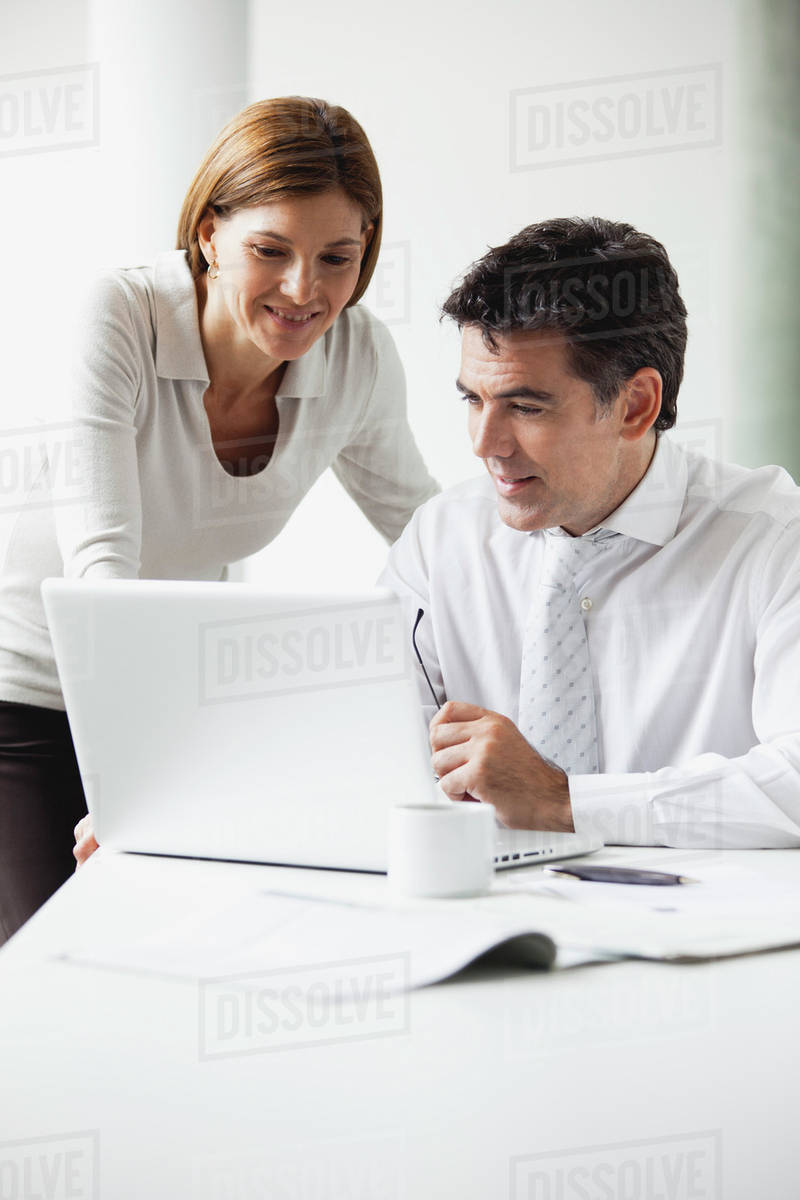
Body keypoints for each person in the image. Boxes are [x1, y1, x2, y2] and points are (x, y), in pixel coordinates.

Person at [0, 96, 438, 943]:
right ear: (208, 234)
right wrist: (123, 785)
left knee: (184, 946)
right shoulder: (120, 315)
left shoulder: (358, 356)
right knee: (48, 952)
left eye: (337, 258)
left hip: (160, 704)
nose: (305, 290)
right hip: (21, 691)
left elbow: (427, 534)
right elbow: (103, 564)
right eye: (269, 251)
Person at [380, 216, 800, 849]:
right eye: (473, 399)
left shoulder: (774, 542)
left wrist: (564, 802)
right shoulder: (441, 542)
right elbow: (370, 759)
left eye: (526, 406)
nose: (484, 444)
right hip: (488, 914)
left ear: (635, 406)